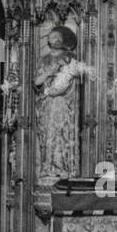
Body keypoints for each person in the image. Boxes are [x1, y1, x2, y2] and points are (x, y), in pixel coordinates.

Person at [36, 26, 82, 178]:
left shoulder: (70, 57)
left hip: (62, 103)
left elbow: (72, 82)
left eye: (57, 37)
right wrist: (49, 74)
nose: (54, 39)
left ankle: (63, 166)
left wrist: (57, 90)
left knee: (61, 134)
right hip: (47, 104)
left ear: (64, 39)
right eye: (51, 36)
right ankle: (48, 166)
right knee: (48, 134)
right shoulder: (45, 60)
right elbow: (37, 82)